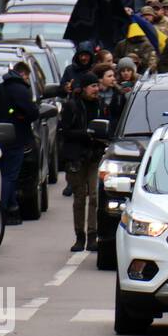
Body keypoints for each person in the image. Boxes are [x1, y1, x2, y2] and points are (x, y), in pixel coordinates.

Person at [60, 72, 114, 251]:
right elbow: (65, 132)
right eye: (92, 86)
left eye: (97, 86)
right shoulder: (72, 106)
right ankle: (79, 237)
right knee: (79, 198)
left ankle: (92, 235)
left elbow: (108, 127)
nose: (96, 90)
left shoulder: (101, 106)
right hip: (77, 158)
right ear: (83, 88)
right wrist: (85, 133)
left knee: (95, 198)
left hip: (95, 157)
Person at [0, 61, 39, 225]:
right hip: (16, 138)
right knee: (10, 176)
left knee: (2, 175)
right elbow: (33, 112)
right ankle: (1, 211)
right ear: (23, 74)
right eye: (27, 77)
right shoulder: (21, 90)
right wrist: (24, 116)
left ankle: (12, 208)